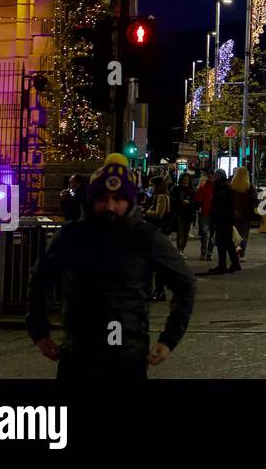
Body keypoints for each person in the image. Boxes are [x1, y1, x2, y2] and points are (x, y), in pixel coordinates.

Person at [26, 153, 196, 379]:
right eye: (102, 198)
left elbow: (185, 285)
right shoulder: (72, 236)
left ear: (130, 201)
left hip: (127, 361)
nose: (110, 206)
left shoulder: (147, 238)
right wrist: (39, 332)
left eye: (118, 199)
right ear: (92, 199)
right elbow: (40, 280)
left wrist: (168, 340)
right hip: (78, 358)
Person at [208, 170, 240, 274]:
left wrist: (214, 213)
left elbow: (217, 203)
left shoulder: (219, 187)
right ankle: (234, 263)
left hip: (222, 218)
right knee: (227, 241)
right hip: (228, 218)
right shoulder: (228, 186)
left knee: (221, 242)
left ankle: (223, 264)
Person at [231, 167, 259, 260]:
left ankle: (236, 250)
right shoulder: (249, 187)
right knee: (244, 235)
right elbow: (254, 201)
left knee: (235, 234)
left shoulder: (232, 186)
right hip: (246, 215)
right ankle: (242, 254)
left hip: (234, 214)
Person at [170, 173, 197, 253]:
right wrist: (181, 202)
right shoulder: (176, 189)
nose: (185, 181)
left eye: (187, 179)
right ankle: (179, 250)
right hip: (180, 213)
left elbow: (196, 202)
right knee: (180, 233)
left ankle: (182, 248)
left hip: (189, 214)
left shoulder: (192, 190)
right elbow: (173, 201)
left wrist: (190, 203)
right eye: (184, 179)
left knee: (186, 234)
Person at [194, 171, 214, 261]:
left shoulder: (203, 188)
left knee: (205, 233)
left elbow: (198, 200)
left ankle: (205, 251)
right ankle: (208, 252)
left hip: (205, 213)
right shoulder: (216, 188)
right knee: (210, 234)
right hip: (211, 213)